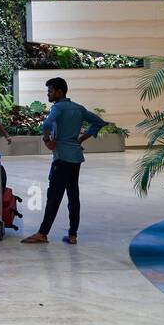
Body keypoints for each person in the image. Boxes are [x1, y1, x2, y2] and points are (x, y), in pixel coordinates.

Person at [22, 77, 107, 246]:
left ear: (59, 92)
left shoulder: (58, 108)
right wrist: (81, 139)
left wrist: (47, 140)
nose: (48, 94)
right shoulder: (78, 108)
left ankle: (42, 233)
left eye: (50, 91)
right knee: (73, 196)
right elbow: (98, 122)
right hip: (75, 157)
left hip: (62, 158)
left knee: (54, 196)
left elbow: (46, 123)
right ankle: (73, 234)